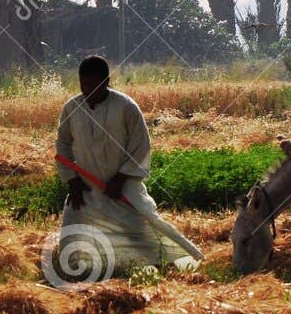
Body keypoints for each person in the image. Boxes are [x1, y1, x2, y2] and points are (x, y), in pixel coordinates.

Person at [52, 56, 199, 279]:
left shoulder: (126, 107)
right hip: (86, 189)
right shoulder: (71, 108)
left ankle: (169, 262)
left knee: (142, 230)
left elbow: (141, 146)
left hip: (123, 189)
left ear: (106, 81)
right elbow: (63, 144)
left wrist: (120, 179)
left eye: (93, 84)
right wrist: (72, 180)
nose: (87, 90)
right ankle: (83, 270)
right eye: (84, 84)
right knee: (75, 234)